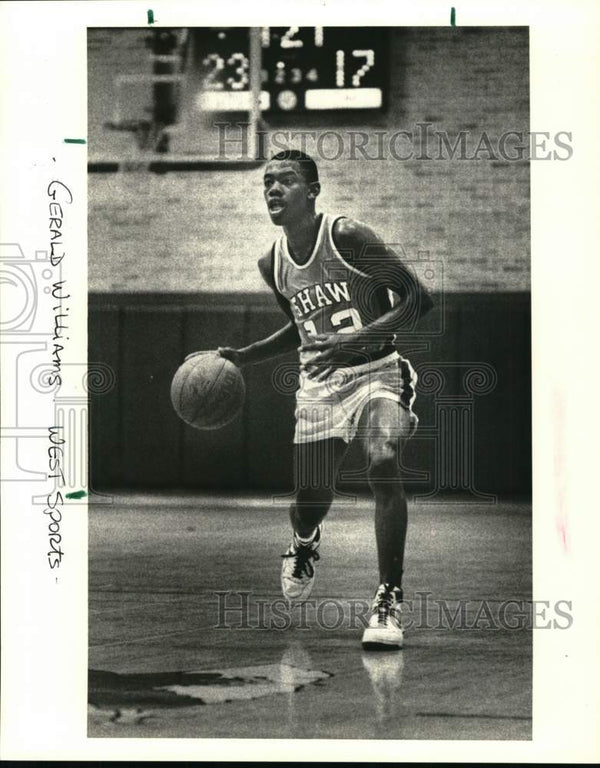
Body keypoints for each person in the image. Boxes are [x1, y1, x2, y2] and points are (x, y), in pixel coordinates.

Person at [191, 150, 433, 649]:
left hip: (377, 373)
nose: (273, 191)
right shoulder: (272, 262)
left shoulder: (347, 237)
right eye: (266, 184)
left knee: (383, 460)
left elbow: (419, 299)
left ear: (313, 190)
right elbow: (303, 331)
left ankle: (388, 598)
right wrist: (248, 354)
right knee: (309, 504)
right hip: (320, 387)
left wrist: (357, 340)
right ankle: (303, 542)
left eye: (284, 182)